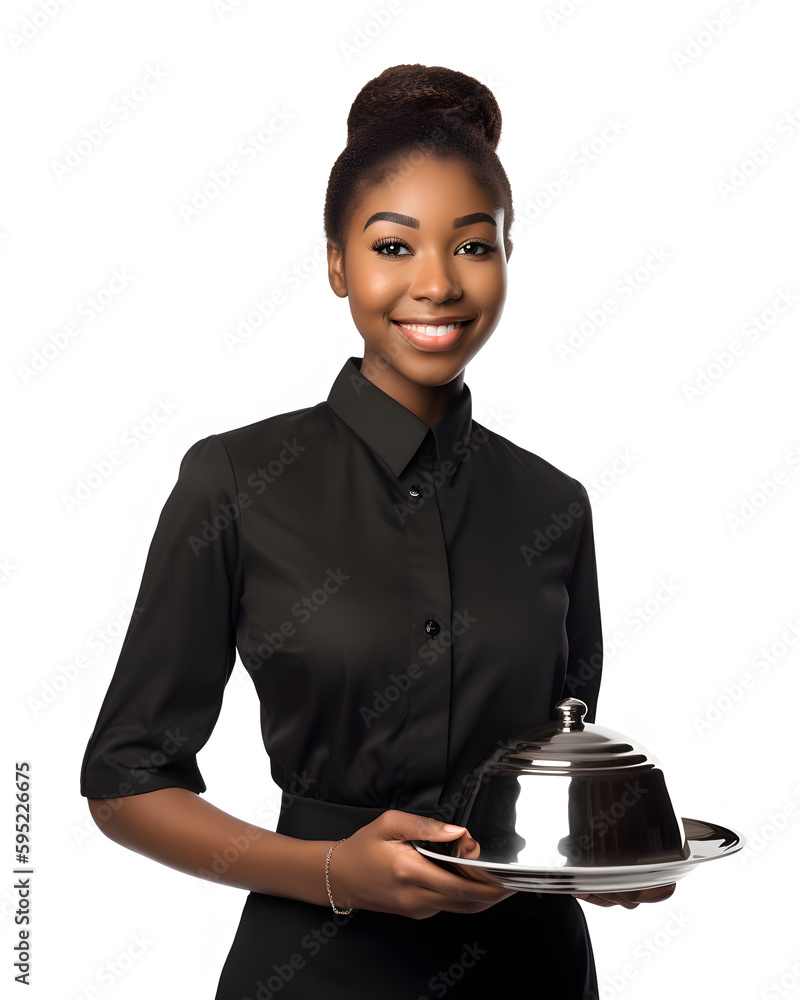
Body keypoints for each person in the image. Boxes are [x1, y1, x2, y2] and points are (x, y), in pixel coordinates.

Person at [79, 64, 674, 999]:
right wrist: (328, 872)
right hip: (314, 969)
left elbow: (561, 772)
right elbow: (124, 783)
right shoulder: (233, 481)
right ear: (335, 263)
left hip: (532, 973)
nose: (436, 283)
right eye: (394, 246)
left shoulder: (555, 504)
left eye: (473, 245)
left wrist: (605, 864)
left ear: (508, 256)